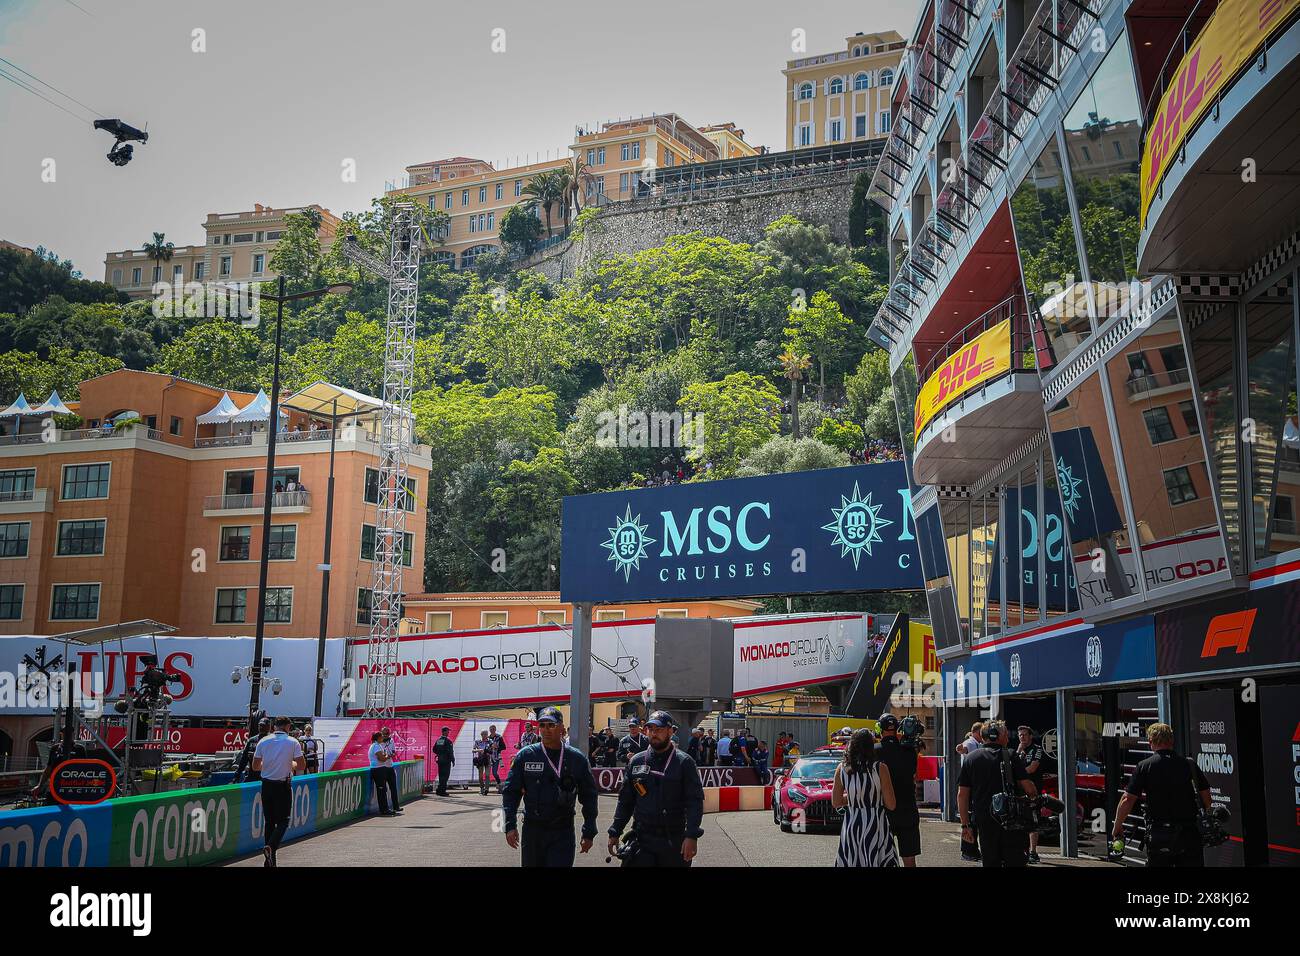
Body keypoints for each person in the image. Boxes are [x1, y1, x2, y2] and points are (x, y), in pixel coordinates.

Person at [501, 706, 599, 867]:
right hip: (533, 830)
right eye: (542, 725)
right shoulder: (525, 756)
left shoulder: (576, 758)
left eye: (551, 725)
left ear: (561, 727)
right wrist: (510, 826)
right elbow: (510, 793)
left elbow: (589, 796)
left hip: (562, 831)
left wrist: (589, 831)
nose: (546, 730)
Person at [607, 711, 705, 866]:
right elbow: (625, 801)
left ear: (671, 731)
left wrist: (691, 836)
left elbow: (695, 802)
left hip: (673, 841)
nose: (653, 733)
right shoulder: (636, 761)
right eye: (650, 729)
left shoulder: (684, 763)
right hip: (642, 840)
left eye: (658, 729)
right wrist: (615, 831)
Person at [1112, 722, 1212, 867]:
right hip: (1189, 834)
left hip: (1160, 835)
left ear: (1150, 742)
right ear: (1171, 741)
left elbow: (1127, 800)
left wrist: (1118, 825)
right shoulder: (1188, 764)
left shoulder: (1145, 766)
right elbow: (1207, 798)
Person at [957, 720, 1038, 868]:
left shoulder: (970, 759)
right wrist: (1034, 797)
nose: (1008, 737)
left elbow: (962, 795)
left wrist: (965, 826)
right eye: (1006, 734)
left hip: (984, 821)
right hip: (1011, 822)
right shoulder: (1011, 755)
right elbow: (1029, 789)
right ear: (997, 736)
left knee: (990, 861)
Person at [832, 727, 898, 867]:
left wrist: (854, 798)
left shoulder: (842, 768)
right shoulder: (880, 768)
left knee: (853, 860)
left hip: (852, 824)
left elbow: (836, 802)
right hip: (875, 823)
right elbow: (891, 804)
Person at [252, 716, 305, 867]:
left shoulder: (263, 741)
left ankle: (270, 861)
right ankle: (271, 846)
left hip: (266, 785)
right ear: (288, 727)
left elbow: (255, 767)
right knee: (283, 821)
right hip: (282, 785)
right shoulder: (293, 742)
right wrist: (290, 764)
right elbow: (301, 764)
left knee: (269, 822)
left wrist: (270, 765)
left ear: (274, 726)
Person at [876, 714, 921, 866]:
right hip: (908, 809)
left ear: (879, 729)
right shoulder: (910, 751)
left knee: (881, 858)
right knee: (909, 860)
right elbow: (914, 774)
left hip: (883, 811)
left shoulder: (874, 751)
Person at [1016, 726, 1045, 863]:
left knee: (1033, 820)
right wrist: (1018, 750)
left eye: (1024, 735)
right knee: (1019, 820)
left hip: (1033, 790)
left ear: (1030, 736)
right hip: (1019, 791)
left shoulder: (1037, 749)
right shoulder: (1018, 751)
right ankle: (1022, 850)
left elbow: (1033, 768)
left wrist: (1018, 774)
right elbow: (1012, 764)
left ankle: (1033, 852)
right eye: (1020, 735)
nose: (1022, 737)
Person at [956, 721, 984, 862]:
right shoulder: (971, 742)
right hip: (970, 782)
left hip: (974, 782)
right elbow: (964, 748)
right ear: (977, 732)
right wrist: (961, 749)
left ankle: (972, 850)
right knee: (971, 817)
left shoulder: (979, 743)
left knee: (974, 818)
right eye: (982, 732)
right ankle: (968, 851)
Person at [368, 732, 401, 816]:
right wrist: (387, 756)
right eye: (381, 736)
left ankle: (385, 809)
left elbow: (382, 757)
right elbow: (382, 758)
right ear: (378, 738)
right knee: (382, 790)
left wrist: (385, 756)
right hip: (378, 769)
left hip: (379, 769)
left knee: (383, 790)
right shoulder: (375, 746)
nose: (383, 737)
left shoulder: (376, 745)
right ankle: (384, 810)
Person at [235, 717, 272, 783]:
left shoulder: (272, 741)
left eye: (263, 726)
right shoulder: (251, 740)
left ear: (268, 727)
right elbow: (244, 758)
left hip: (266, 775)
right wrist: (238, 773)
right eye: (260, 726)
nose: (261, 728)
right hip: (252, 774)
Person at [378, 727, 402, 813]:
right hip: (382, 767)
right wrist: (387, 755)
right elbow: (381, 756)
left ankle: (396, 806)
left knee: (393, 788)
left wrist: (390, 754)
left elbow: (393, 752)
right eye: (384, 734)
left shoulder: (391, 740)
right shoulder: (378, 743)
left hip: (390, 766)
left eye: (387, 734)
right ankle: (386, 808)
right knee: (384, 789)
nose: (385, 736)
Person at [432, 726, 455, 795]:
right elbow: (450, 752)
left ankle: (439, 790)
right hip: (446, 761)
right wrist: (453, 760)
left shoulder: (439, 740)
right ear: (444, 732)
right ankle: (442, 791)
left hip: (440, 760)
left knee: (441, 775)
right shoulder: (448, 741)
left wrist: (439, 754)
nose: (448, 733)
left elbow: (434, 749)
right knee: (445, 776)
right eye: (447, 731)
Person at [473, 730, 493, 795]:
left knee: (487, 775)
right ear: (481, 735)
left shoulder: (490, 741)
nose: (485, 736)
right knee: (480, 776)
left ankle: (486, 789)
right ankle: (482, 788)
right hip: (480, 760)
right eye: (484, 734)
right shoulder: (477, 741)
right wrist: (479, 750)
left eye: (486, 734)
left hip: (487, 759)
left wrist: (490, 748)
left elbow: (492, 749)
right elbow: (473, 750)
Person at [487, 724, 505, 790]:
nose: (492, 730)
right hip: (488, 757)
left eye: (493, 729)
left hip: (496, 757)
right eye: (491, 729)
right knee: (487, 773)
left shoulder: (499, 737)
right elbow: (485, 747)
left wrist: (497, 747)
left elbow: (504, 747)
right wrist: (489, 747)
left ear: (495, 729)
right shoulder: (488, 738)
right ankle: (486, 787)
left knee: (494, 772)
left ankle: (499, 782)